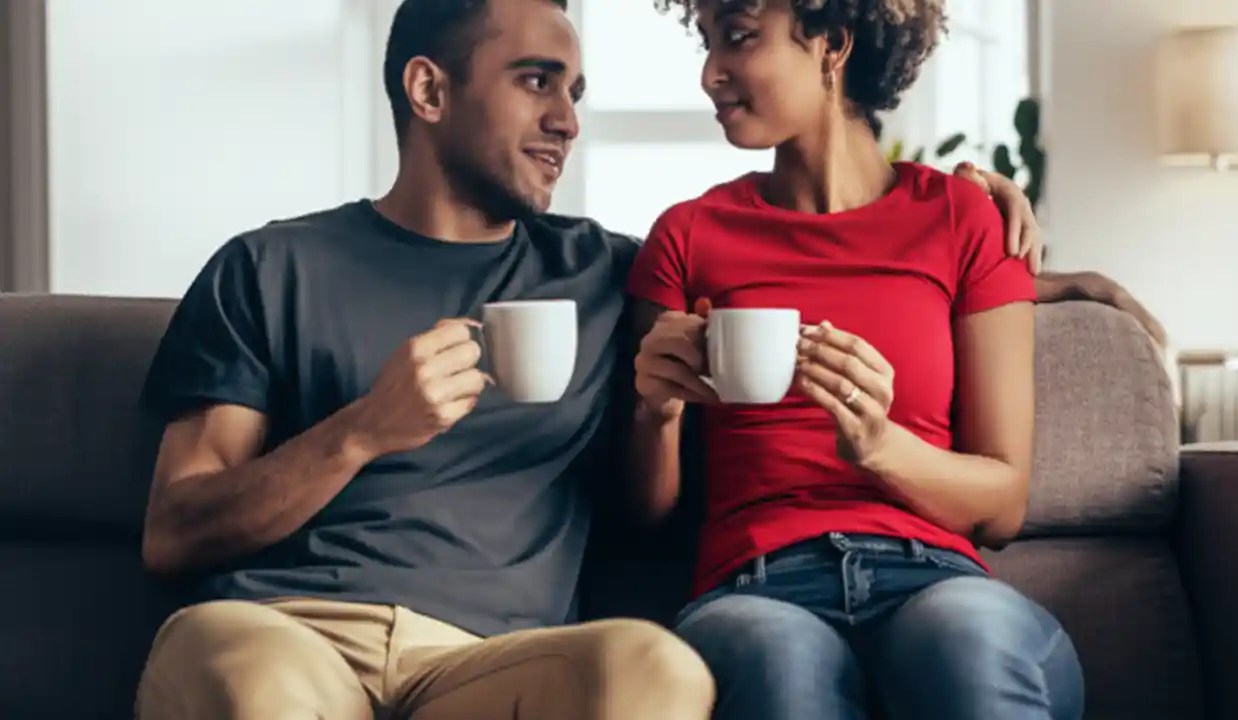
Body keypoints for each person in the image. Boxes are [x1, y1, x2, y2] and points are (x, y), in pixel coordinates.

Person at [134, 0, 1068, 718]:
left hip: (489, 660)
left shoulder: (601, 270)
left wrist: (1033, 244)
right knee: (255, 686)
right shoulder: (269, 267)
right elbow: (173, 531)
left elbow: (856, 279)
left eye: (575, 93)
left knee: (656, 668)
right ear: (428, 91)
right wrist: (360, 434)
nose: (569, 122)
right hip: (287, 634)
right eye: (537, 82)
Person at [628, 1, 1085, 719]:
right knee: (776, 664)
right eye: (708, 43)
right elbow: (644, 519)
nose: (711, 74)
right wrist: (654, 412)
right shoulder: (688, 236)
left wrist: (881, 447)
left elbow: (1002, 506)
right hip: (754, 584)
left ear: (832, 45)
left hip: (937, 581)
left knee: (966, 642)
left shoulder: (966, 220)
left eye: (739, 39)